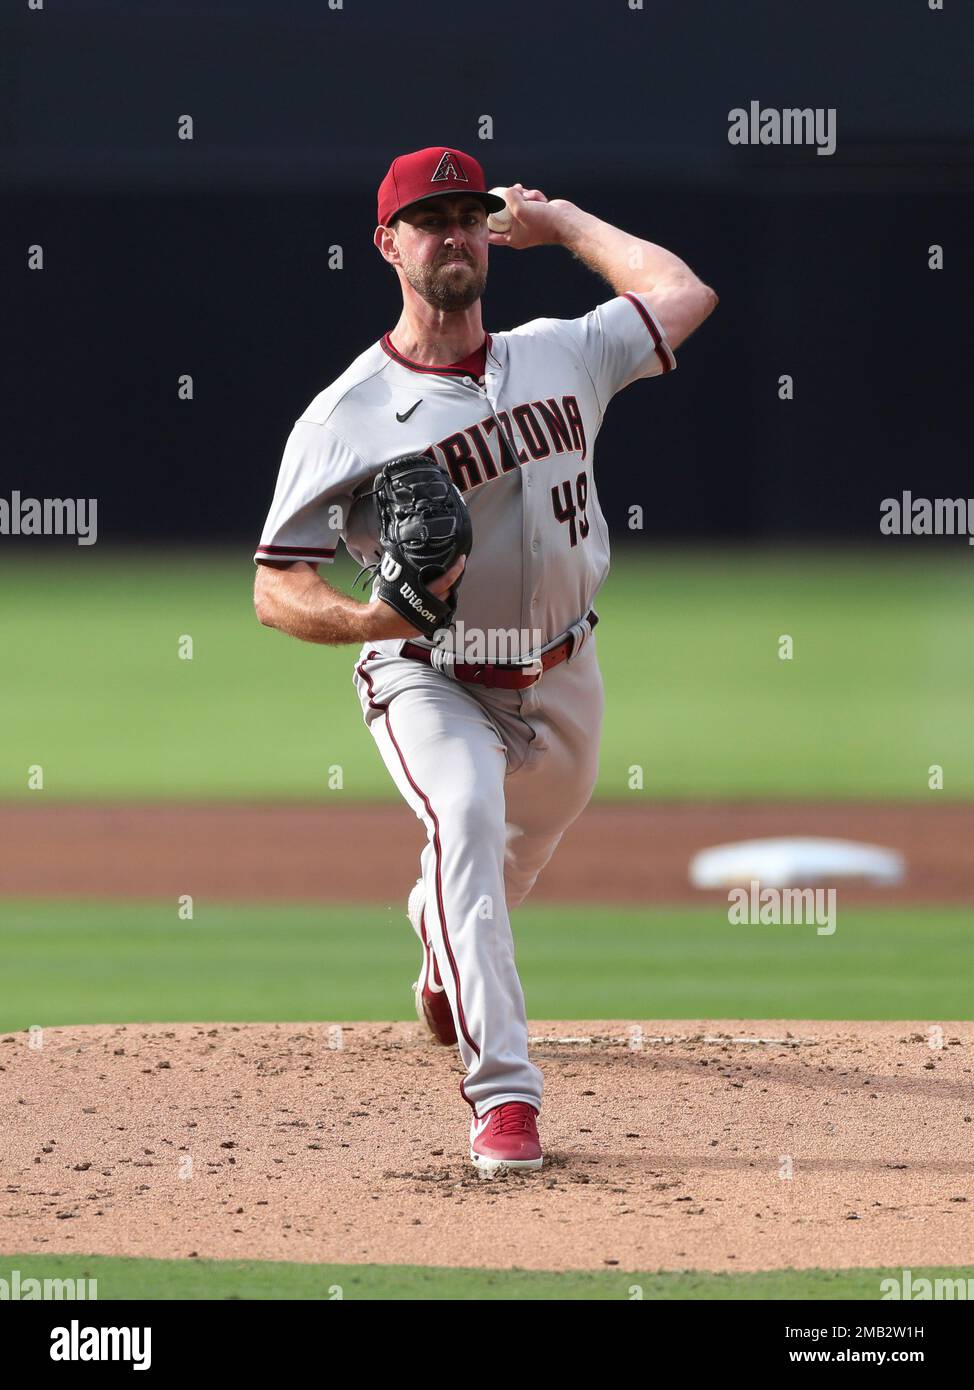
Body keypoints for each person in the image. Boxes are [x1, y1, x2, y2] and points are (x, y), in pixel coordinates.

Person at [254, 146, 717, 1172]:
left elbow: (681, 293)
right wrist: (374, 626)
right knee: (463, 818)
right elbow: (274, 586)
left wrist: (565, 224)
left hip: (563, 677)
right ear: (388, 245)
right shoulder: (347, 415)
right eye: (429, 220)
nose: (453, 234)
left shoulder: (561, 353)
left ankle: (439, 942)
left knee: (495, 872)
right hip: (430, 673)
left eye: (467, 215)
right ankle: (504, 1099)